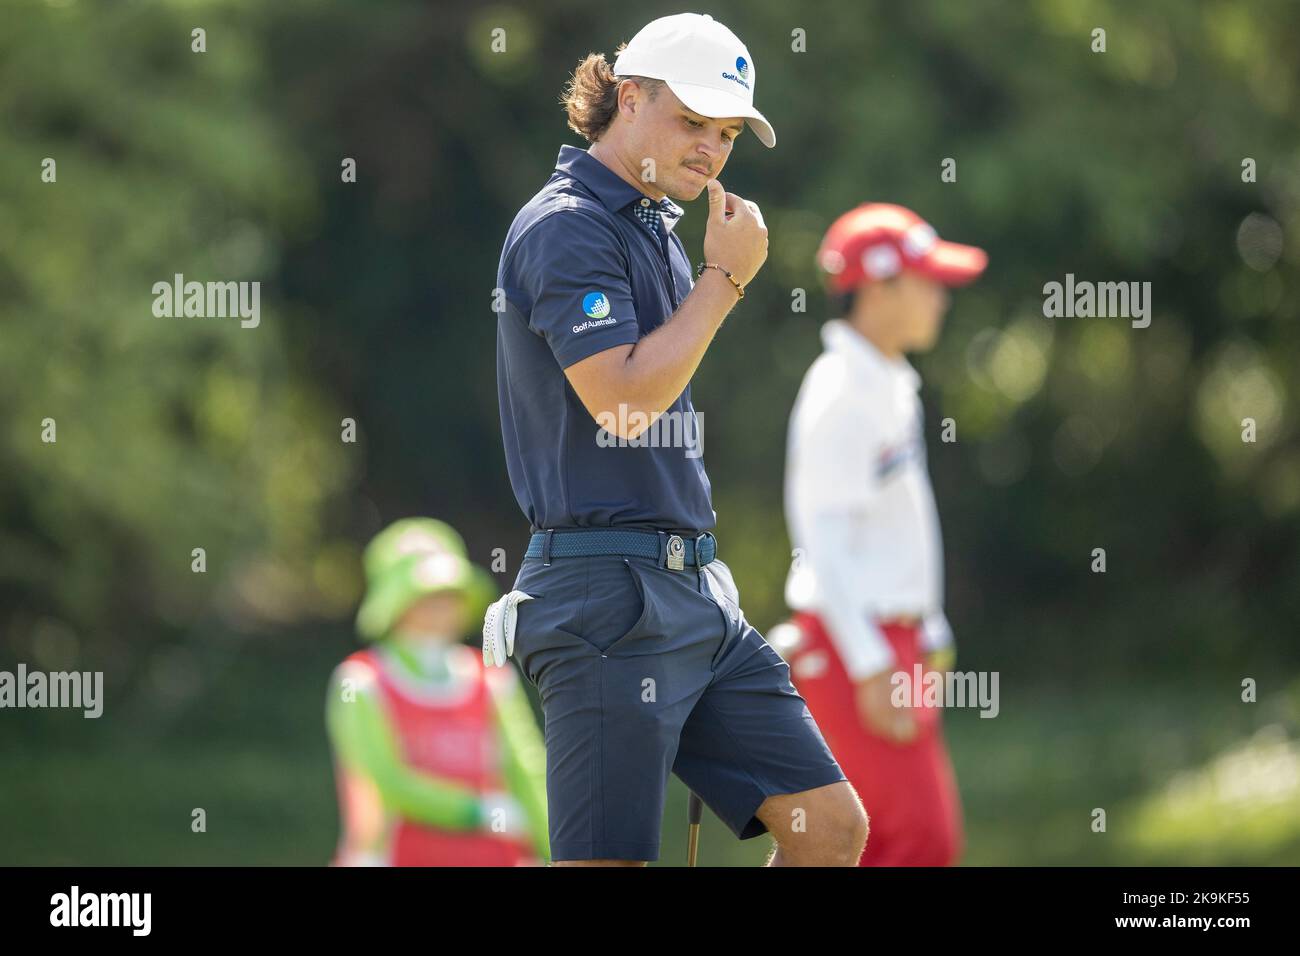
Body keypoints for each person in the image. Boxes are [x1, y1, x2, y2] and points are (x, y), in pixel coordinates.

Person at [486, 13, 866, 867]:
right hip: (600, 602)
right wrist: (725, 278)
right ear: (629, 99)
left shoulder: (652, 220)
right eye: (693, 122)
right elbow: (621, 404)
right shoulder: (566, 225)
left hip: (692, 592)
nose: (711, 149)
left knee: (829, 827)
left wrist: (710, 273)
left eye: (727, 132)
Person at [779, 203, 986, 866]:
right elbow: (822, 538)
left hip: (891, 644)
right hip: (853, 647)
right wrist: (872, 664)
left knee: (900, 843)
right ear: (876, 287)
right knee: (909, 841)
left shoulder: (889, 382)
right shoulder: (841, 389)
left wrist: (930, 637)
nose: (940, 300)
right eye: (926, 282)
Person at [326, 517, 549, 866]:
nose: (440, 608)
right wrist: (482, 813)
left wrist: (553, 849)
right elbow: (387, 782)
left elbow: (527, 769)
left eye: (450, 596)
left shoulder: (491, 678)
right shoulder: (361, 682)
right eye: (425, 597)